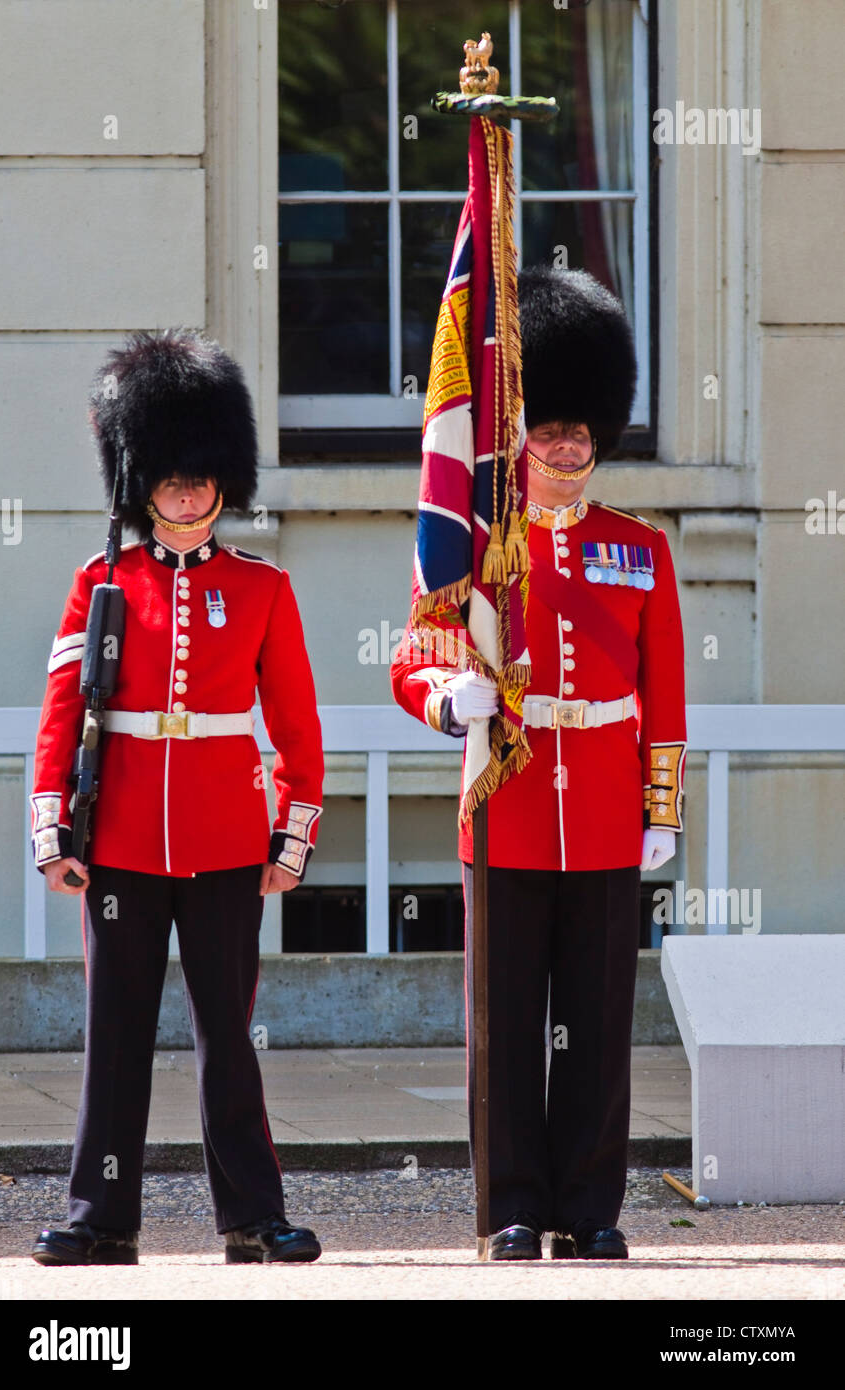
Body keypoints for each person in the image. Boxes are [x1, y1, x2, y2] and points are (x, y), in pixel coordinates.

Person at [391, 267, 687, 1261]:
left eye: (577, 431)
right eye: (546, 428)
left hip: (604, 812)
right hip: (508, 805)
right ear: (517, 436)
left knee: (598, 1031)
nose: (563, 446)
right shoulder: (481, 550)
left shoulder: (638, 551)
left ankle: (590, 1207)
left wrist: (661, 810)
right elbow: (411, 657)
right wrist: (445, 700)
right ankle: (511, 1206)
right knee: (505, 1029)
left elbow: (665, 697)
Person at [29, 328, 324, 1266]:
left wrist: (293, 829)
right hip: (118, 839)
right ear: (141, 479)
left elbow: (295, 725)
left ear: (221, 479)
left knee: (227, 1040)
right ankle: (100, 1220)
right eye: (169, 475)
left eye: (200, 477)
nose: (187, 492)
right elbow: (63, 712)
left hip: (228, 840)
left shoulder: (263, 589)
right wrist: (52, 823)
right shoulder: (101, 584)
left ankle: (251, 1216)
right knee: (114, 1037)